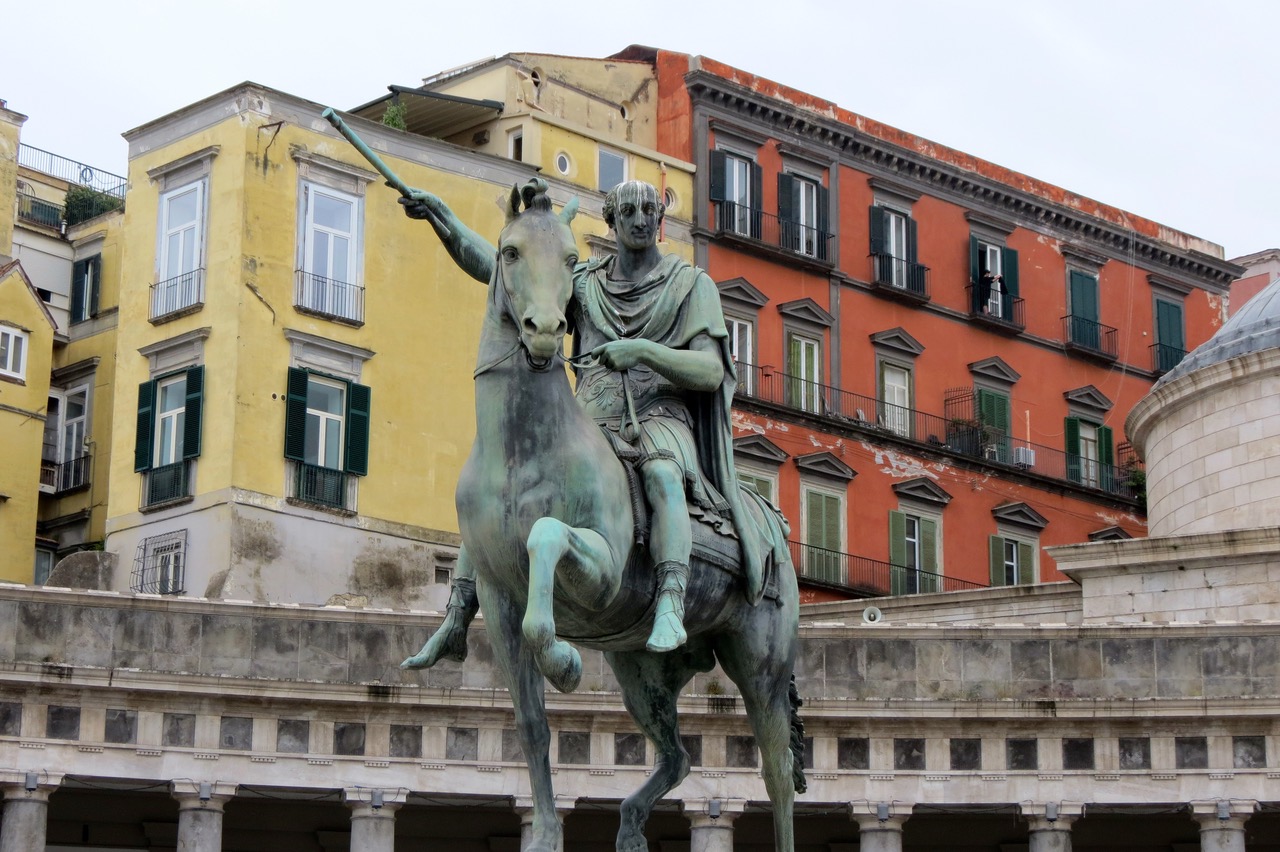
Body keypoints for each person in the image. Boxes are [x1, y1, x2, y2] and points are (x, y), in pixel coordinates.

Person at [399, 178, 764, 658]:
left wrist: (643, 352)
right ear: (610, 221)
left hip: (659, 416)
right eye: (628, 210)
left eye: (648, 210)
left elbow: (711, 369)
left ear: (661, 221)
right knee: (500, 483)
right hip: (587, 417)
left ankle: (671, 600)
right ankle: (459, 612)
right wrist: (443, 220)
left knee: (661, 474)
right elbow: (502, 270)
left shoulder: (690, 284)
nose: (639, 219)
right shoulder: (586, 281)